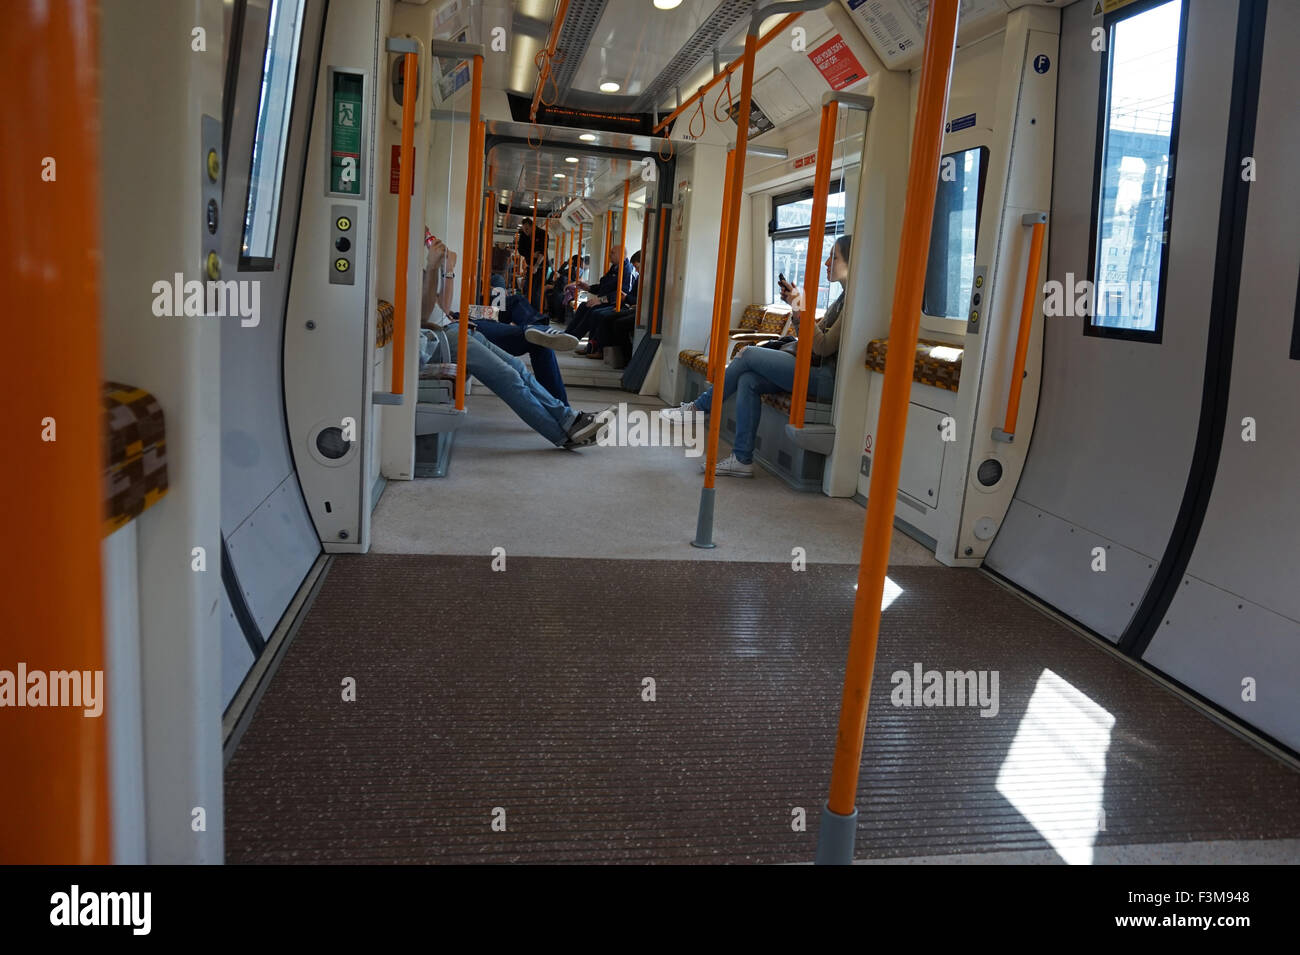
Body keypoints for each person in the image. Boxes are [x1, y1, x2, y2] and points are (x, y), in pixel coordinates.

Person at [661, 234, 851, 477]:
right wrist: (797, 309)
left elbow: (822, 348)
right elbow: (809, 341)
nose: (826, 263)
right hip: (811, 367)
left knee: (748, 353)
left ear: (850, 263)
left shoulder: (852, 305)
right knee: (748, 380)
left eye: (834, 257)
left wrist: (801, 308)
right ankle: (742, 459)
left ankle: (699, 409)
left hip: (825, 378)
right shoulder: (840, 301)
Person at [420, 232, 607, 449]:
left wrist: (445, 271)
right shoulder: (411, 267)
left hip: (457, 320)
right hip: (449, 327)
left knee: (517, 354)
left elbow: (438, 307)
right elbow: (429, 315)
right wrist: (439, 269)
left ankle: (568, 416)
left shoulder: (424, 268)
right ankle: (564, 432)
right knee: (515, 365)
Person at [565, 251, 638, 342]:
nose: (609, 255)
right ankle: (568, 334)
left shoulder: (627, 271)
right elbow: (603, 286)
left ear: (621, 255)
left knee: (594, 310)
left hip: (615, 303)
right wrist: (588, 288)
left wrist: (602, 300)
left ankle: (575, 338)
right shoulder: (614, 268)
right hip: (606, 300)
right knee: (583, 306)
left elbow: (622, 293)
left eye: (612, 253)